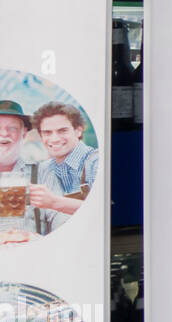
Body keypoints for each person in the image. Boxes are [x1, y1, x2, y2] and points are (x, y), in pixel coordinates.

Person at [27, 102, 99, 231]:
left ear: (78, 130)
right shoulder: (43, 169)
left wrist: (54, 202)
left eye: (62, 131)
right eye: (47, 132)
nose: (54, 139)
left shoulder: (95, 163)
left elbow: (103, 211)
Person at [0, 100, 45, 235]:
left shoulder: (41, 174)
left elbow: (62, 223)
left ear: (24, 133)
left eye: (12, 128)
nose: (3, 134)